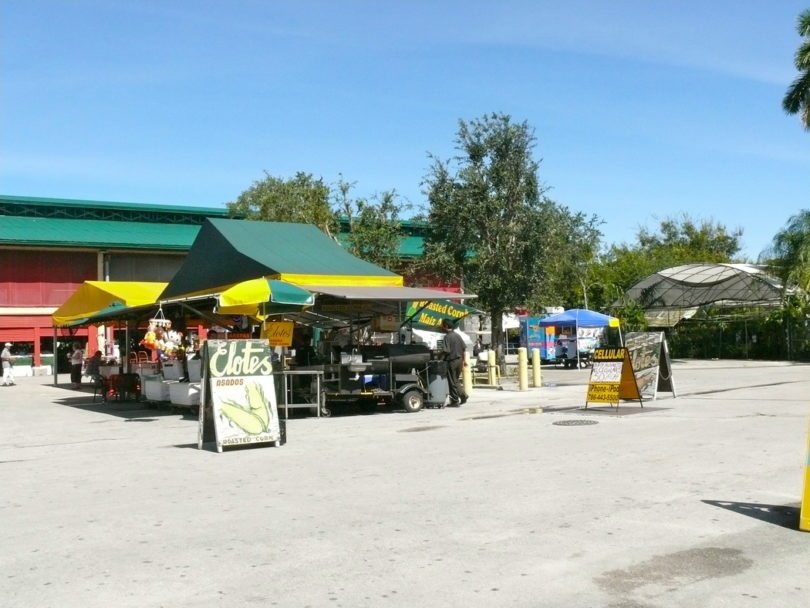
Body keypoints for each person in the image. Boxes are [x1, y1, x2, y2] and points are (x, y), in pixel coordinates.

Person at [440, 319, 468, 407]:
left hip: (452, 361)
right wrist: (464, 360)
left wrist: (440, 358)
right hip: (459, 360)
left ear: (446, 326)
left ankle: (455, 401)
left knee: (452, 381)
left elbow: (446, 351)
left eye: (442, 326)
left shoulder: (447, 337)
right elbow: (464, 348)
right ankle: (463, 395)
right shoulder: (457, 335)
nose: (441, 328)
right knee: (455, 380)